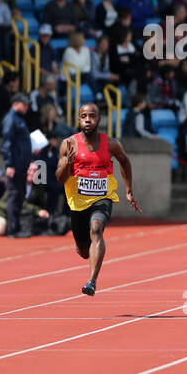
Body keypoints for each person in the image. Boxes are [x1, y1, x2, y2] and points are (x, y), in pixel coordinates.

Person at [55, 102, 141, 295]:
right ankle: (85, 250)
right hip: (77, 202)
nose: (88, 120)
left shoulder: (111, 144)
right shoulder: (69, 144)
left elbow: (125, 162)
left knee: (96, 229)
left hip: (103, 196)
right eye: (84, 116)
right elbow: (60, 179)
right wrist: (67, 163)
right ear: (78, 119)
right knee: (83, 250)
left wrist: (128, 190)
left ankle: (92, 281)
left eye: (92, 116)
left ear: (99, 119)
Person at [0, 92, 31, 237]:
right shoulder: (11, 119)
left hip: (21, 164)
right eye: (24, 105)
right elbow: (6, 144)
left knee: (20, 194)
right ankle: (12, 229)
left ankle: (16, 226)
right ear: (16, 104)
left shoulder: (19, 118)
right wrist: (9, 164)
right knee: (14, 195)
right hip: (15, 165)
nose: (26, 108)